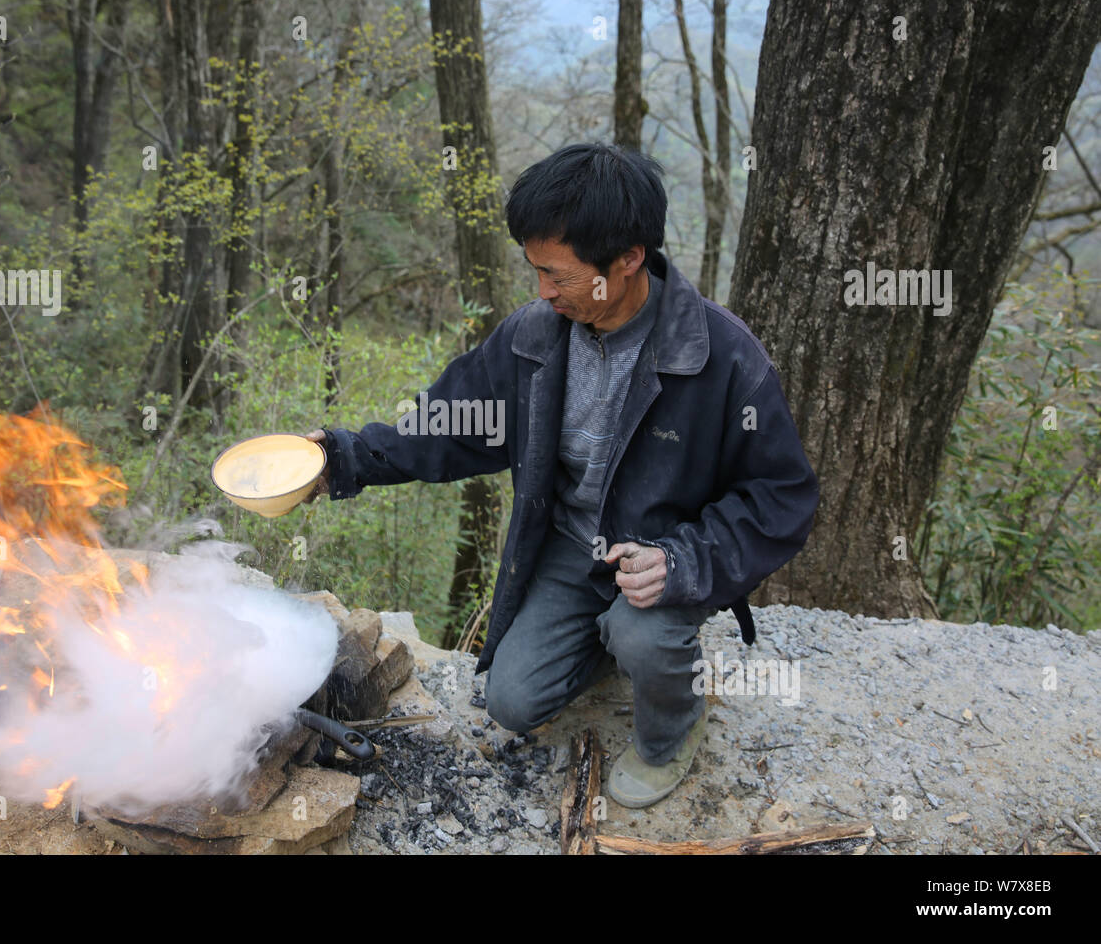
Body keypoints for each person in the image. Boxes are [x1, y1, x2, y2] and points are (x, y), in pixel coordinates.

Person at [305, 143, 818, 808]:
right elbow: (446, 426)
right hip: (575, 546)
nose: (543, 293)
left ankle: (673, 728)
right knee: (513, 701)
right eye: (536, 272)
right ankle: (606, 637)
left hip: (669, 552)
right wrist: (341, 458)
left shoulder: (721, 357)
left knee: (642, 629)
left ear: (628, 259)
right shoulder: (535, 337)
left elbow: (783, 498)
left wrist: (685, 560)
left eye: (559, 275)